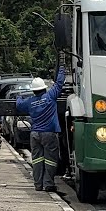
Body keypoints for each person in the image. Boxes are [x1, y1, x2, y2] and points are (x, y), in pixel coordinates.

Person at [17, 64, 67, 192]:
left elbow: (19, 105)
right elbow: (59, 84)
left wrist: (18, 97)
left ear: (33, 90)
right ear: (44, 88)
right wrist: (62, 69)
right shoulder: (50, 96)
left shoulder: (30, 101)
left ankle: (38, 185)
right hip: (49, 133)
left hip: (35, 134)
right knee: (51, 159)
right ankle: (48, 184)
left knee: (37, 160)